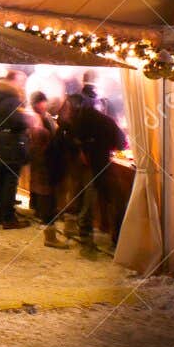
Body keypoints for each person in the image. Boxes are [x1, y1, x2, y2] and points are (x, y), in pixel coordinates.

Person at [66, 95, 127, 251]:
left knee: (86, 196)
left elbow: (73, 138)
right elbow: (121, 143)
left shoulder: (77, 119)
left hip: (84, 164)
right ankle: (113, 238)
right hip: (99, 164)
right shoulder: (107, 122)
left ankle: (83, 231)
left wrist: (81, 151)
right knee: (108, 200)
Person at [0, 75, 30, 228]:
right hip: (12, 143)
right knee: (10, 181)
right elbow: (19, 121)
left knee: (1, 178)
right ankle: (8, 218)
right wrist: (27, 119)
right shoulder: (12, 100)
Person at [27, 92, 68, 250]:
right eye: (43, 102)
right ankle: (49, 236)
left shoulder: (43, 117)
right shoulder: (37, 120)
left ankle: (47, 226)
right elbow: (41, 140)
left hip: (42, 161)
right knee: (47, 196)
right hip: (44, 162)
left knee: (45, 194)